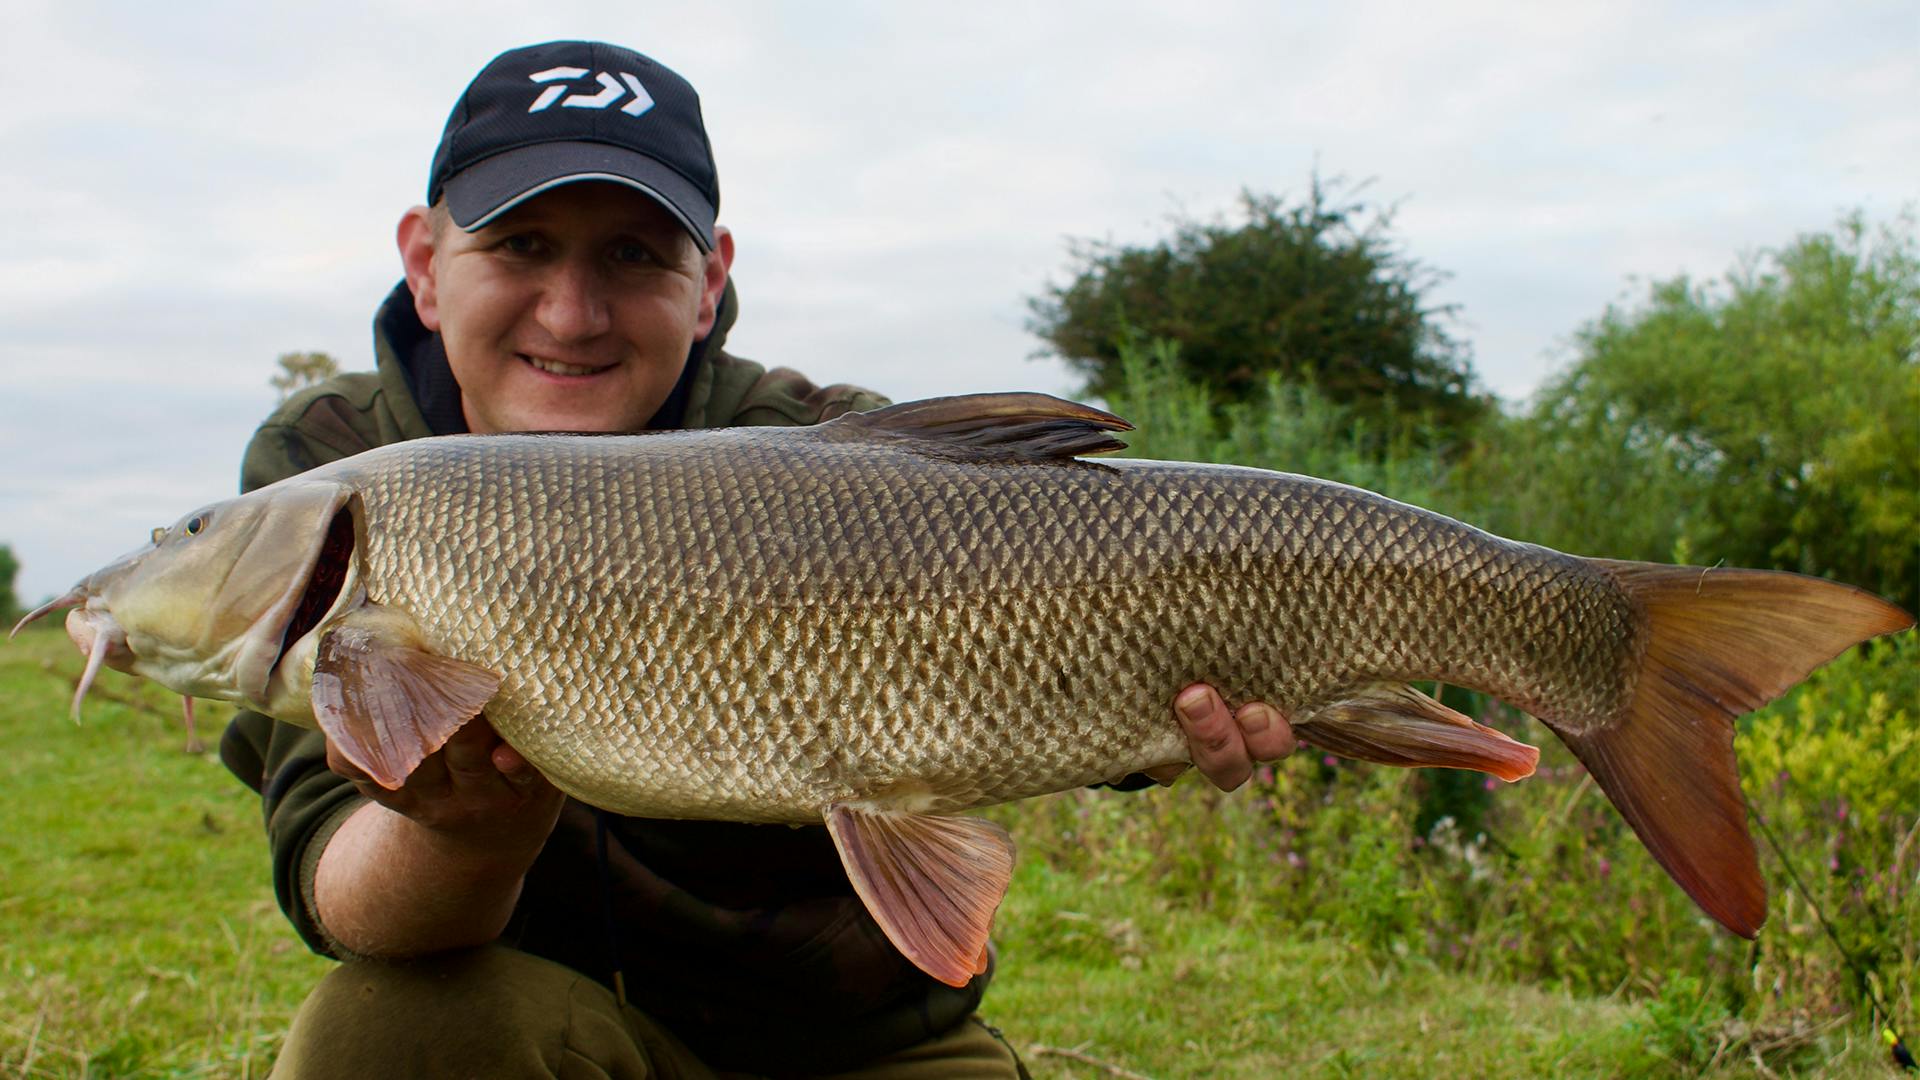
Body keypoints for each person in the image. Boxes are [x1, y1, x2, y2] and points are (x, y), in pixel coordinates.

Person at [219, 40, 1298, 1078]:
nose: (573, 312)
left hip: (860, 1044)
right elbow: (340, 894)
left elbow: (1047, 630)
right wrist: (467, 835)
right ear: (424, 262)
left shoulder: (839, 454)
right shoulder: (334, 482)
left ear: (709, 279)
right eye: (521, 246)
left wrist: (1141, 719)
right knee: (384, 1036)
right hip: (549, 1038)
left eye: (634, 255)